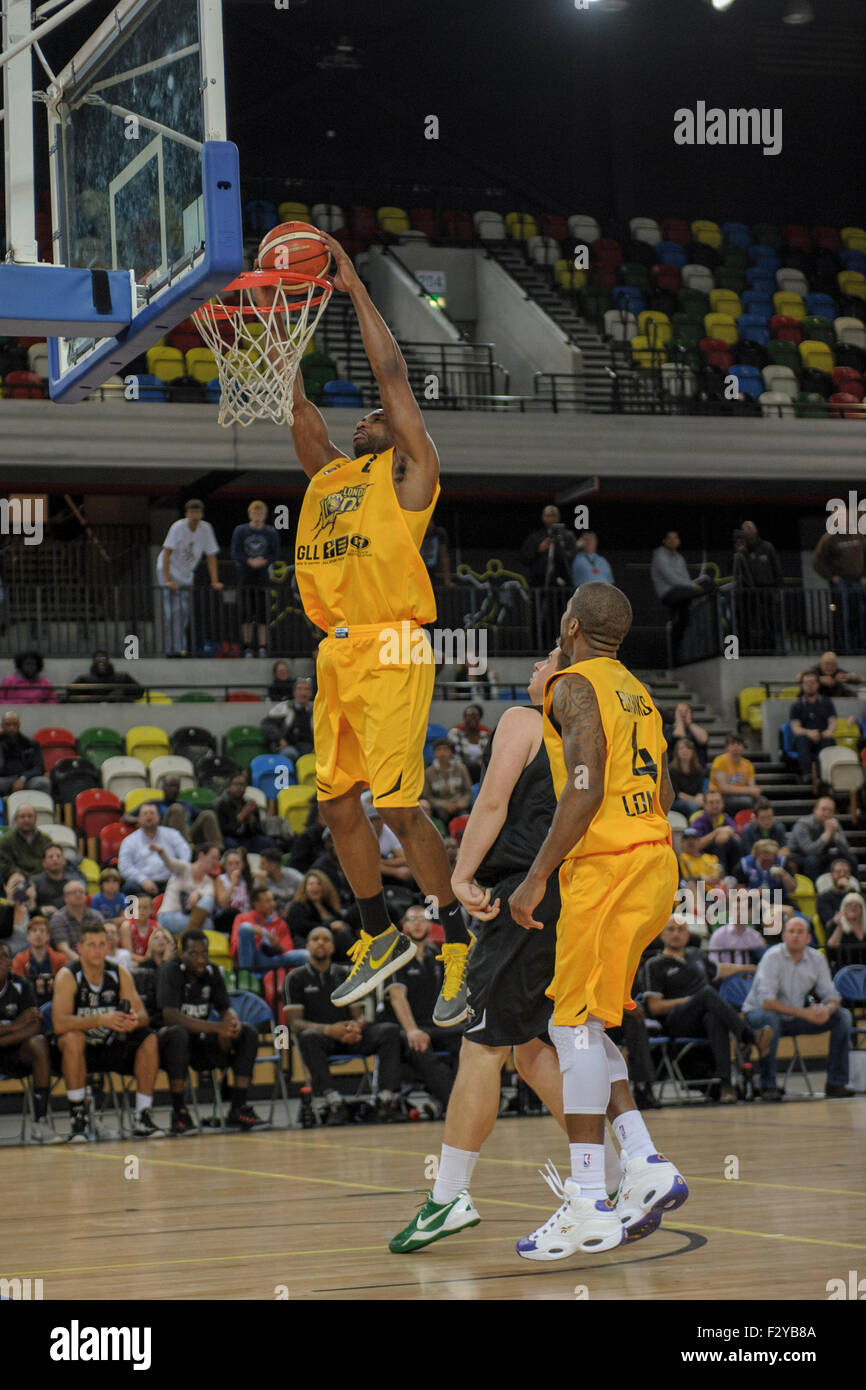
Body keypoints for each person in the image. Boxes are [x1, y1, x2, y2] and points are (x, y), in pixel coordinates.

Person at [272, 227, 476, 1024]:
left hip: (393, 642)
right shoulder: (330, 477)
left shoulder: (414, 477)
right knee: (335, 805)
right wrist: (281, 324)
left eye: (377, 418)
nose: (365, 419)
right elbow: (294, 408)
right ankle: (378, 932)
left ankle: (457, 940)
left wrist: (354, 290)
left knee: (397, 807)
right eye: (357, 417)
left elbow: (392, 377)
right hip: (338, 653)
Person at [508, 583, 687, 1260]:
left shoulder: (571, 684)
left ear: (572, 625)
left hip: (607, 866)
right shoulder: (638, 691)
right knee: (584, 1023)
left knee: (568, 1027)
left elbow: (583, 784)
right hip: (653, 860)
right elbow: (666, 791)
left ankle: (588, 1200)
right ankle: (642, 1162)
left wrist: (537, 874)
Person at [392, 650, 586, 1252]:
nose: (534, 663)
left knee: (481, 1049)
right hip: (575, 897)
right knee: (531, 1048)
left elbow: (493, 803)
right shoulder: (593, 736)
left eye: (547, 656)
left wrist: (459, 876)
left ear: (564, 673)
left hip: (521, 897)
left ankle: (449, 1195)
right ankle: (608, 1175)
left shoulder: (523, 721)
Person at [53, 920, 164, 1141]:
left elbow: (143, 1016)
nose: (97, 950)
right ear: (80, 948)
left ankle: (142, 1115)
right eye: (91, 945)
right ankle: (78, 1117)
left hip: (110, 1045)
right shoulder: (68, 975)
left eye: (101, 944)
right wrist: (100, 1019)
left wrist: (133, 1020)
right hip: (77, 1052)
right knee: (73, 1038)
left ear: (108, 947)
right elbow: (59, 1023)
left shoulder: (119, 973)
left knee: (148, 1038)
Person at [643, 916, 770, 1104]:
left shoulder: (696, 955)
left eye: (681, 930)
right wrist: (690, 1000)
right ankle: (749, 1037)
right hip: (676, 1021)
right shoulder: (654, 965)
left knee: (714, 1018)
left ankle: (726, 1086)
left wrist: (748, 967)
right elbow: (654, 1007)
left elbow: (719, 969)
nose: (676, 934)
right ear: (662, 934)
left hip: (704, 1019)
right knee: (707, 994)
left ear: (688, 934)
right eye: (671, 929)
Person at [284, 925, 403, 1123]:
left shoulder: (347, 973)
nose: (320, 942)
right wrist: (329, 1030)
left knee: (389, 1030)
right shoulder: (295, 978)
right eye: (315, 939)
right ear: (307, 946)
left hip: (349, 1036)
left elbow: (359, 1014)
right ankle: (334, 1100)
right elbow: (295, 1023)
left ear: (332, 947)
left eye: (325, 939)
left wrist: (357, 1026)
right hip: (322, 1038)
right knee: (307, 1037)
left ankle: (386, 1098)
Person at [156, 928, 267, 1134]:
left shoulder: (213, 972)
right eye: (194, 954)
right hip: (167, 1044)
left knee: (248, 1033)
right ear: (181, 954)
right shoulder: (169, 971)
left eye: (204, 954)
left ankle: (238, 1108)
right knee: (179, 1034)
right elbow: (170, 1016)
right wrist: (218, 1028)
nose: (201, 960)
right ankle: (179, 1111)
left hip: (200, 1041)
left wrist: (231, 1023)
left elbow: (224, 1008)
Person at [743, 916, 853, 1100]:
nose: (795, 936)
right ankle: (767, 1085)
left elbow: (832, 996)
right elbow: (767, 1002)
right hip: (757, 1015)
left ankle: (836, 1083)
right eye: (791, 932)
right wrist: (806, 1013)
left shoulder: (816, 958)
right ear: (784, 936)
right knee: (771, 1020)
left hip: (794, 1017)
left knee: (843, 1017)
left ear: (808, 938)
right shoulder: (772, 957)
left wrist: (826, 1010)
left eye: (800, 932)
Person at [379, 906, 459, 1113]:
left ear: (430, 925)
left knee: (468, 1038)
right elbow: (398, 997)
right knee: (420, 1045)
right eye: (411, 919)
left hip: (433, 1025)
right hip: (405, 1028)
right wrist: (412, 1030)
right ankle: (454, 1105)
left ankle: (471, 1096)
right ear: (403, 925)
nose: (417, 923)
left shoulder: (437, 955)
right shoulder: (395, 956)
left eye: (422, 919)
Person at [0, 941, 60, 1143]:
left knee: (39, 1042)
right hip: (14, 1038)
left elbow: (34, 1025)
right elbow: (23, 1024)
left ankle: (39, 1122)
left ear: (9, 962)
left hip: (16, 1052)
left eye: (2, 957)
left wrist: (5, 1038)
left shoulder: (21, 985)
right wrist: (15, 1026)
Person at [156, 498, 222, 658]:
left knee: (184, 612)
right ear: (186, 514)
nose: (194, 515)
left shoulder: (206, 529)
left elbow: (211, 556)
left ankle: (180, 648)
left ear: (201, 514)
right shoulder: (178, 527)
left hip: (186, 573)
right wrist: (167, 580)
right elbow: (167, 553)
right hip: (169, 569)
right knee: (172, 612)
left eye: (197, 512)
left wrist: (214, 580)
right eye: (191, 512)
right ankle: (172, 650)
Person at [650, 531, 715, 659]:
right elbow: (671, 578)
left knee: (684, 620)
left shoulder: (679, 557)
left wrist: (693, 586)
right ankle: (676, 654)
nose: (673, 541)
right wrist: (694, 588)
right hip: (669, 592)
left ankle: (680, 652)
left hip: (683, 593)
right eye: (670, 538)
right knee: (702, 591)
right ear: (664, 541)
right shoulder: (660, 555)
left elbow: (686, 578)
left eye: (676, 538)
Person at [231, 499, 281, 657]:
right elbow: (235, 553)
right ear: (250, 514)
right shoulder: (241, 531)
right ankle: (246, 647)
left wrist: (264, 561)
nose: (257, 516)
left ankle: (262, 647)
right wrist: (248, 561)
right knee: (245, 613)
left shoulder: (270, 532)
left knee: (262, 614)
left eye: (260, 513)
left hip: (262, 577)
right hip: (245, 577)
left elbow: (274, 553)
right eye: (255, 513)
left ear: (265, 515)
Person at [230, 885, 309, 977]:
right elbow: (234, 949)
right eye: (268, 901)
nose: (273, 904)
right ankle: (247, 978)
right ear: (256, 904)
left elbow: (288, 950)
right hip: (252, 959)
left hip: (273, 960)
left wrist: (277, 947)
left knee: (305, 955)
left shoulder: (280, 923)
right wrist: (255, 935)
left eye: (272, 900)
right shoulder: (242, 918)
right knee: (245, 928)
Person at [117, 802, 191, 897]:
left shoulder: (172, 834)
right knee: (129, 888)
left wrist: (178, 873)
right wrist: (143, 880)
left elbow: (185, 852)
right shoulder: (129, 841)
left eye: (152, 813)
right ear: (139, 818)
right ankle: (134, 912)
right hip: (142, 883)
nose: (149, 816)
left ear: (158, 818)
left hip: (170, 880)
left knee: (186, 885)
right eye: (145, 813)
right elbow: (125, 867)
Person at [812, 528, 866, 652]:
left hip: (859, 581)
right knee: (842, 615)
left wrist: (864, 575)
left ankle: (861, 646)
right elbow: (817, 561)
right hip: (841, 583)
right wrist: (831, 577)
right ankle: (843, 648)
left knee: (861, 614)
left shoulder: (857, 535)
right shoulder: (829, 538)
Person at [732, 520, 782, 649]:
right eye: (745, 528)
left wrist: (778, 589)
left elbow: (777, 569)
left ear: (756, 530)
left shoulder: (767, 547)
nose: (748, 530)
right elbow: (737, 571)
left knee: (768, 620)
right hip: (747, 591)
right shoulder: (740, 551)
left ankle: (770, 648)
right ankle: (748, 648)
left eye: (750, 527)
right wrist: (741, 552)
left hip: (766, 589)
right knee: (747, 620)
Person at [154, 841, 220, 936]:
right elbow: (171, 863)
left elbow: (210, 894)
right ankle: (186, 937)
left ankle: (183, 937)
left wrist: (198, 894)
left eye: (217, 859)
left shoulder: (208, 881)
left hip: (187, 918)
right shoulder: (184, 868)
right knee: (207, 925)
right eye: (213, 858)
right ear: (201, 855)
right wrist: (162, 852)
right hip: (168, 917)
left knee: (209, 919)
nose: (216, 862)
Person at [788, 797, 858, 883]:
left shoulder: (834, 823)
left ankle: (854, 889)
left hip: (821, 856)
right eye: (824, 809)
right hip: (799, 857)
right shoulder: (803, 824)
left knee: (850, 858)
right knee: (812, 860)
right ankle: (814, 893)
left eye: (831, 810)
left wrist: (836, 837)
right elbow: (809, 851)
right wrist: (826, 835)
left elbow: (846, 850)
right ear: (815, 810)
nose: (827, 813)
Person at [788, 673, 837, 785]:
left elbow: (833, 722)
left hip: (823, 736)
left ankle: (826, 775)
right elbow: (795, 728)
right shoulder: (796, 705)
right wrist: (808, 732)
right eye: (806, 683)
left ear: (817, 685)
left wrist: (829, 731)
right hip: (806, 737)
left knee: (829, 740)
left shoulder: (827, 702)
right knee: (801, 740)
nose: (809, 685)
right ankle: (807, 774)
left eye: (812, 682)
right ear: (802, 685)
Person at [215, 773, 277, 853]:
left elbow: (259, 831)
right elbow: (223, 830)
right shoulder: (222, 804)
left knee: (268, 842)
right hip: (230, 839)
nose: (239, 788)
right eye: (236, 785)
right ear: (229, 787)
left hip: (247, 839)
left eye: (242, 785)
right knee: (231, 844)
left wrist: (252, 820)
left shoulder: (248, 804)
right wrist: (242, 815)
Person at [689, 788, 744, 876]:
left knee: (734, 843)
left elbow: (738, 838)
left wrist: (728, 833)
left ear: (722, 804)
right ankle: (722, 877)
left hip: (727, 857)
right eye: (711, 803)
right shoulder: (698, 821)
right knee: (718, 843)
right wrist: (716, 833)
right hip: (704, 858)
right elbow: (695, 847)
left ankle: (736, 878)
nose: (715, 805)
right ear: (705, 805)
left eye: (717, 802)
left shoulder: (726, 819)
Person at [520, 505, 577, 588]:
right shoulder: (535, 537)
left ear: (558, 517)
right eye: (548, 516)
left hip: (563, 580)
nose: (551, 519)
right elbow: (524, 558)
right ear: (543, 518)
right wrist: (539, 550)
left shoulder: (568, 536)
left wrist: (558, 548)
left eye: (554, 515)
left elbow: (573, 556)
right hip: (539, 581)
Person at [48, 880, 105, 962]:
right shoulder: (58, 918)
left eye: (81, 892)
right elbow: (63, 948)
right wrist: (83, 963)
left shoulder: (96, 916)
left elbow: (103, 941)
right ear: (66, 897)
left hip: (95, 956)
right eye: (74, 892)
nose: (78, 894)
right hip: (70, 961)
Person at [11, 915, 66, 999]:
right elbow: (17, 986)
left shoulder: (60, 959)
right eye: (34, 930)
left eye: (42, 931)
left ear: (48, 936)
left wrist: (55, 985)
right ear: (28, 936)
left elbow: (65, 984)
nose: (38, 934)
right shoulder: (19, 959)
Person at [422, 738, 473, 825]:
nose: (442, 753)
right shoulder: (429, 772)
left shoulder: (461, 768)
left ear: (451, 752)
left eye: (445, 749)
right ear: (434, 753)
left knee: (464, 816)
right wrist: (444, 805)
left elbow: (468, 791)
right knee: (442, 816)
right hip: (440, 807)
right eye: (439, 750)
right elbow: (427, 796)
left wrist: (461, 803)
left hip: (459, 804)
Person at [709, 732, 762, 814]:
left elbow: (752, 787)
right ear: (727, 747)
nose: (736, 747)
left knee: (762, 802)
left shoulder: (748, 764)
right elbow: (723, 788)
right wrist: (748, 790)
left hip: (741, 795)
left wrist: (755, 791)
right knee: (746, 802)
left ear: (743, 747)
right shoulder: (720, 761)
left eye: (739, 744)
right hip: (719, 797)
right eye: (732, 744)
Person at [0, 711, 51, 795]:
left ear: (19, 725)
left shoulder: (31, 743)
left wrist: (24, 778)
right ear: (2, 725)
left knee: (43, 782)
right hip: (5, 780)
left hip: (26, 779)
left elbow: (39, 767)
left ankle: (40, 808)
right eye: (8, 724)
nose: (11, 728)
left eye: (14, 724)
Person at [265, 676, 315, 759]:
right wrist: (279, 739)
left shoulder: (316, 711)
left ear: (311, 694)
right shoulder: (283, 707)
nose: (303, 693)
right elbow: (267, 724)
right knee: (289, 754)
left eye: (307, 689)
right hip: (289, 746)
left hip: (309, 747)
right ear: (294, 693)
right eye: (299, 689)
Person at [0, 805, 53, 881]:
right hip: (18, 880)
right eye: (22, 816)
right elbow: (5, 866)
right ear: (15, 819)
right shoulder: (6, 841)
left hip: (44, 880)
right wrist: (25, 877)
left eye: (30, 816)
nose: (26, 820)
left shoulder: (46, 840)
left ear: (35, 819)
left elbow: (50, 863)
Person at [65, 651, 142, 703]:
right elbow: (70, 695)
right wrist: (88, 698)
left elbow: (139, 691)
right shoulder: (84, 679)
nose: (101, 663)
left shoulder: (123, 677)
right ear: (94, 663)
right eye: (98, 660)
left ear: (108, 662)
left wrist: (123, 693)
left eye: (104, 660)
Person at [32, 844, 86, 916]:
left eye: (58, 856)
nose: (55, 859)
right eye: (51, 857)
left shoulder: (74, 882)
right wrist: (39, 909)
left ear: (64, 861)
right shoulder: (34, 881)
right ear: (44, 863)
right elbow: (22, 902)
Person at [253, 848, 303, 919]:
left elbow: (302, 895)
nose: (260, 867)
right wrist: (262, 884)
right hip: (271, 915)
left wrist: (289, 909)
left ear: (273, 866)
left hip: (293, 913)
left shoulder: (294, 877)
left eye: (263, 864)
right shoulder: (261, 879)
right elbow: (259, 904)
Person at [447, 704, 491, 782]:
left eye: (476, 715)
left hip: (482, 771)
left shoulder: (485, 735)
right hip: (460, 771)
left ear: (480, 718)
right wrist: (470, 764)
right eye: (470, 715)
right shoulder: (455, 734)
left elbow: (488, 757)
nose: (473, 717)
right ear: (464, 718)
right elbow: (452, 757)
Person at [213, 848, 253, 934]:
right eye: (230, 864)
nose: (234, 867)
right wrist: (232, 884)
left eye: (237, 863)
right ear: (225, 866)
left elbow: (251, 905)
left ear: (242, 865)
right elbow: (222, 903)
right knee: (232, 912)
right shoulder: (220, 879)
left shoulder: (247, 880)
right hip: (226, 919)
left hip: (244, 918)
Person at [825, 890, 866, 968]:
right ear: (843, 908)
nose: (853, 907)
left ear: (862, 909)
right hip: (843, 971)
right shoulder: (835, 925)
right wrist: (839, 927)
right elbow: (831, 952)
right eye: (849, 904)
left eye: (857, 905)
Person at [796, 651, 862, 699]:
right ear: (821, 664)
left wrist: (849, 677)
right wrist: (819, 679)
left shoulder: (838, 671)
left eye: (833, 664)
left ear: (836, 665)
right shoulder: (815, 670)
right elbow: (798, 678)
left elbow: (859, 680)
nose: (830, 667)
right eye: (827, 664)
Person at [662, 701, 709, 767]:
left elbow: (703, 740)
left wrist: (689, 723)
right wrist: (679, 722)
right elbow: (680, 738)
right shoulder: (668, 729)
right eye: (680, 711)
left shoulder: (695, 728)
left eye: (686, 711)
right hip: (675, 769)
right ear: (675, 713)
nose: (683, 713)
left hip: (698, 768)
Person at [816, 858, 859, 929]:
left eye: (845, 872)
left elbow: (863, 905)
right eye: (838, 872)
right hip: (836, 933)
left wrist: (851, 889)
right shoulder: (824, 898)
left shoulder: (853, 894)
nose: (842, 874)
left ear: (849, 875)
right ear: (832, 875)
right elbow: (829, 922)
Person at [0, 870, 35, 954]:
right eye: (14, 884)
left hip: (29, 958)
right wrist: (10, 904)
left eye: (22, 884)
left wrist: (32, 901)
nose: (18, 888)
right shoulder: (2, 908)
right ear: (5, 886)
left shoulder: (31, 910)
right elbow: (3, 933)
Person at [668, 738, 705, 817]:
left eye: (688, 748)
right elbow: (677, 794)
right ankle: (692, 827)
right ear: (677, 752)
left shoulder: (698, 769)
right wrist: (695, 800)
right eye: (681, 748)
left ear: (693, 752)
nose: (685, 751)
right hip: (675, 801)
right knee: (693, 806)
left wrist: (700, 798)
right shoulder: (671, 770)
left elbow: (700, 791)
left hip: (693, 800)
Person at [119, 892, 158, 965]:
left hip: (150, 962)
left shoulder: (157, 927)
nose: (142, 911)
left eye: (145, 907)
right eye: (138, 907)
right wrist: (146, 961)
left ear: (152, 910)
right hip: (133, 962)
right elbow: (128, 954)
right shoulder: (127, 926)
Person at [420, 518, 453, 588]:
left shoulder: (439, 533)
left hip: (434, 571)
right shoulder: (417, 532)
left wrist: (447, 580)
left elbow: (444, 557)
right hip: (420, 572)